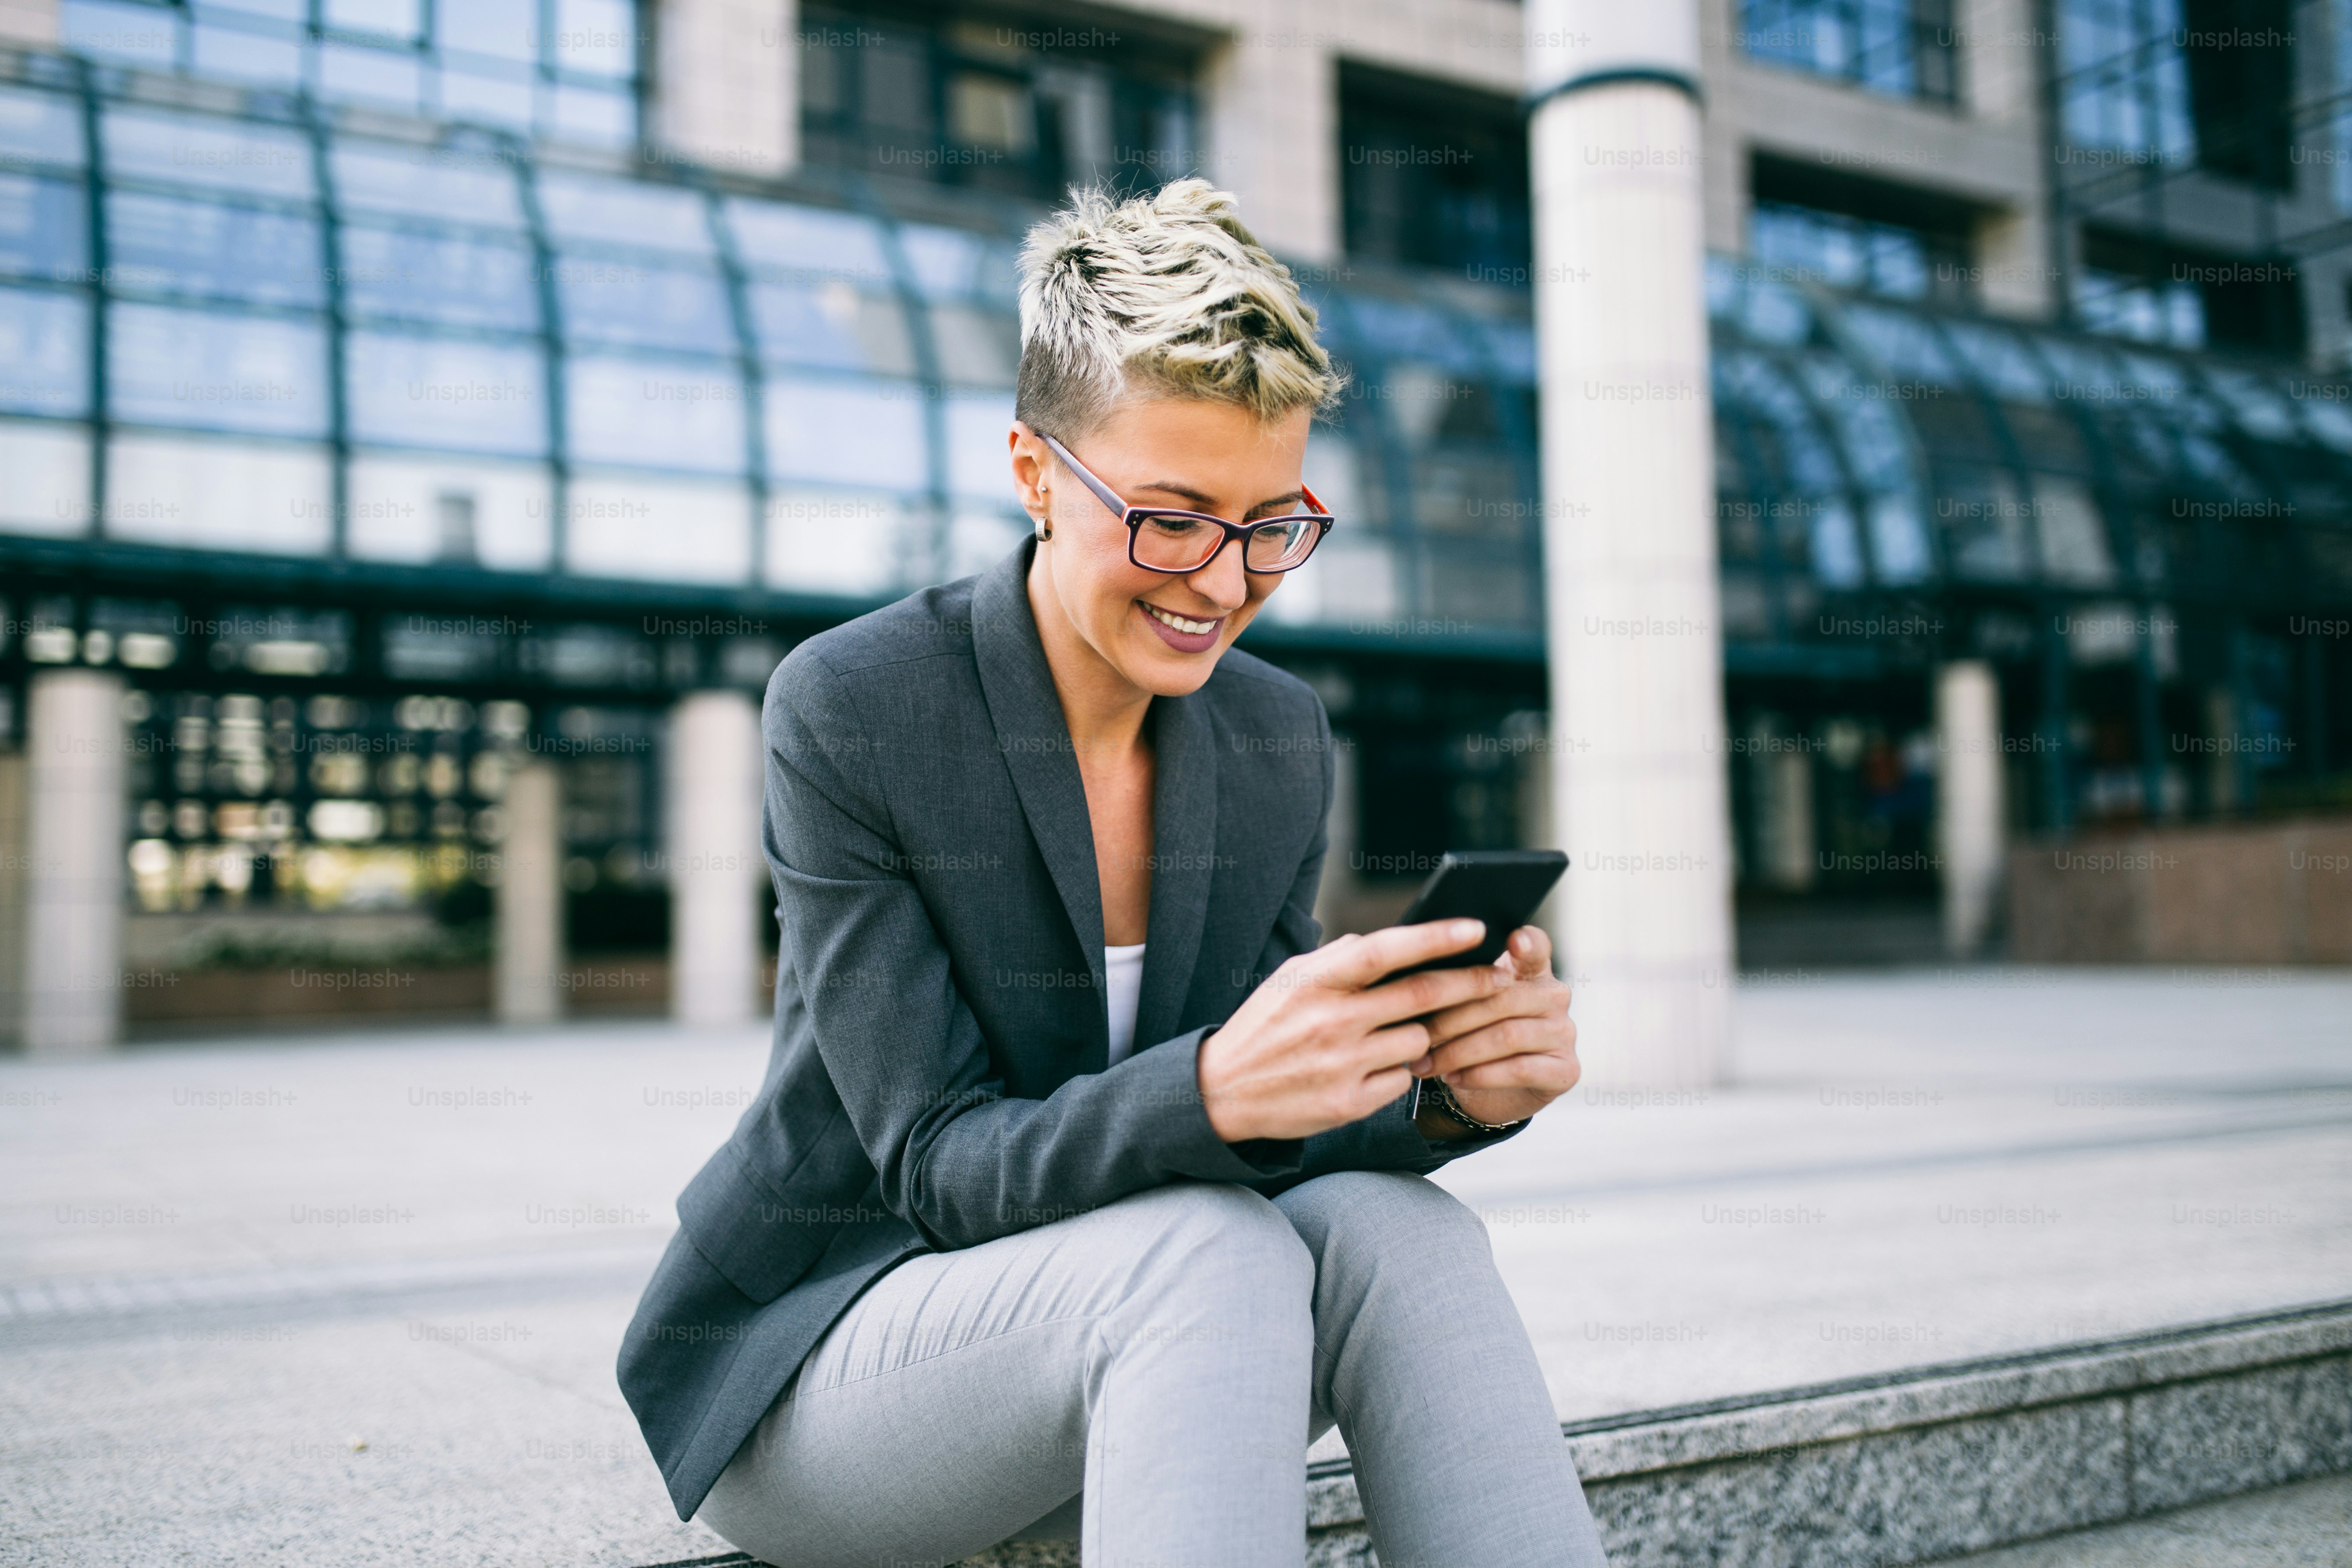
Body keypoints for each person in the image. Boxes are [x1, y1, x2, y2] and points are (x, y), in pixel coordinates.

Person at [618, 178, 1610, 1568]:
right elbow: (936, 1163)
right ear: (1034, 473)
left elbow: (1275, 1130)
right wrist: (1211, 1089)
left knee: (1406, 1232)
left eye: (1272, 523)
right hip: (826, 1356)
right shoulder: (855, 705)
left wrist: (1440, 1093)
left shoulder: (1270, 732)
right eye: (1171, 515)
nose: (1221, 579)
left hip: (1133, 1349)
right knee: (1210, 1249)